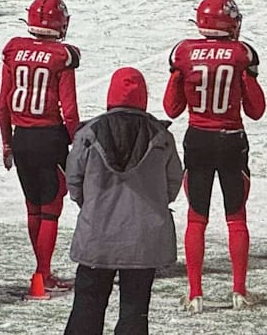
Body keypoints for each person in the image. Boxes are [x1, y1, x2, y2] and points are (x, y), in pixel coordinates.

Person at [163, 0, 265, 312]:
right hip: (232, 139)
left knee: (196, 218)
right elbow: (257, 109)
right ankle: (239, 291)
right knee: (236, 218)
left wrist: (181, 77)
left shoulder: (184, 52)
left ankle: (195, 293)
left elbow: (171, 108)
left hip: (198, 139)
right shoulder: (242, 53)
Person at [65, 67, 183, 335]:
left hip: (97, 233)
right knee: (135, 310)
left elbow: (74, 180)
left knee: (87, 306)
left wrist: (91, 205)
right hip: (144, 237)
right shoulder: (162, 136)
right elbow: (173, 183)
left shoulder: (89, 134)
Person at [0, 0, 81, 298]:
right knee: (50, 210)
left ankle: (41, 273)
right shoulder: (62, 56)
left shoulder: (14, 50)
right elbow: (69, 111)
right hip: (49, 138)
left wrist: (6, 142)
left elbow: (3, 104)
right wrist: (78, 141)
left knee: (33, 208)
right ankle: (42, 275)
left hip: (21, 137)